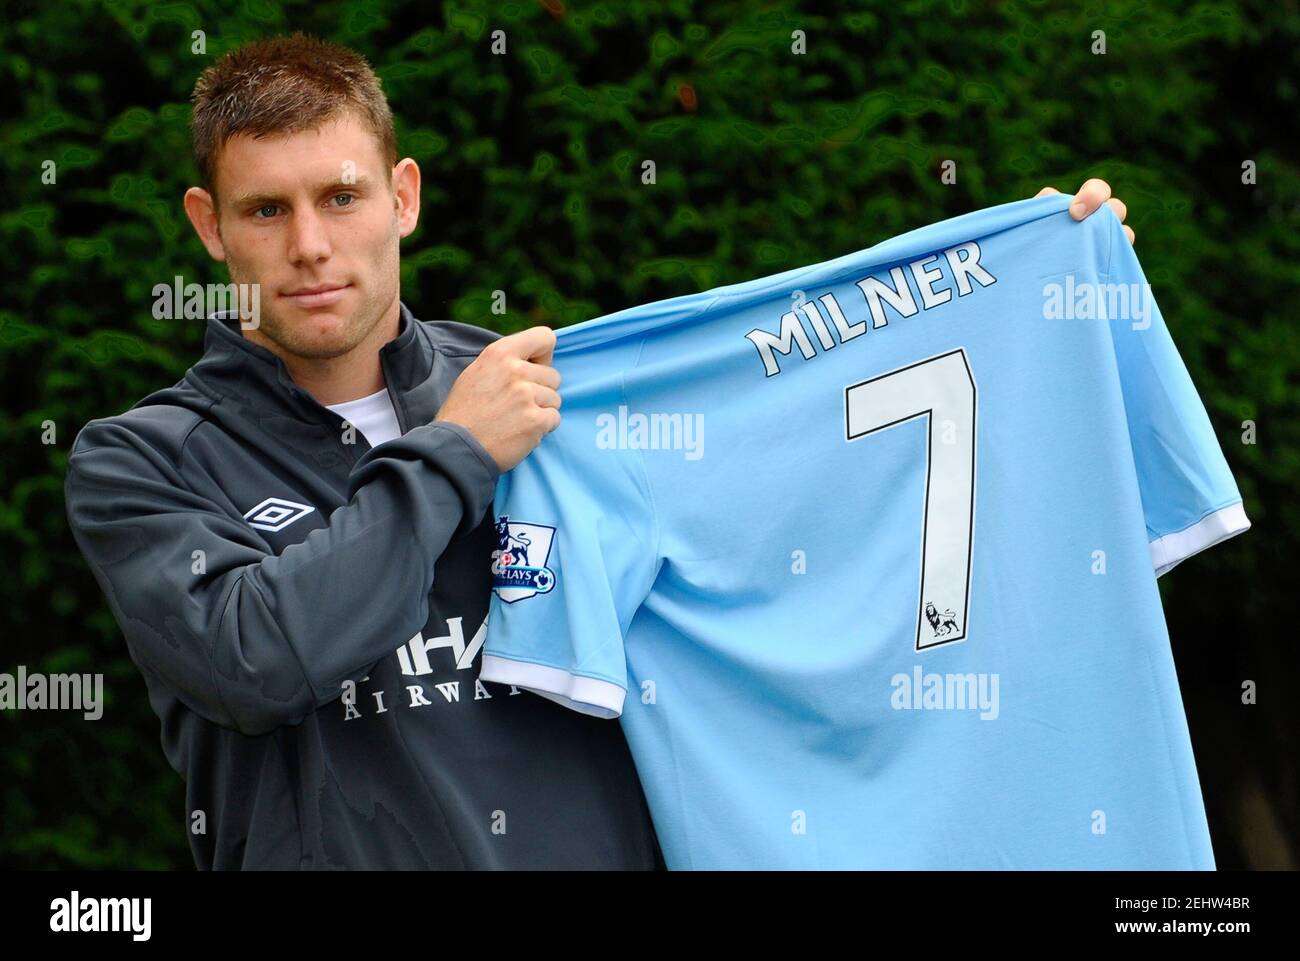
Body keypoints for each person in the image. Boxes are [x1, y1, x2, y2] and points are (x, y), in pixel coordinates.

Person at [63, 33, 1135, 870]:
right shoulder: (141, 463)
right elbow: (255, 660)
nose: (309, 245)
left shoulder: (550, 395)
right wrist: (454, 453)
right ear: (209, 226)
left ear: (403, 197)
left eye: (341, 197)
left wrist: (1022, 291)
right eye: (266, 210)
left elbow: (809, 525)